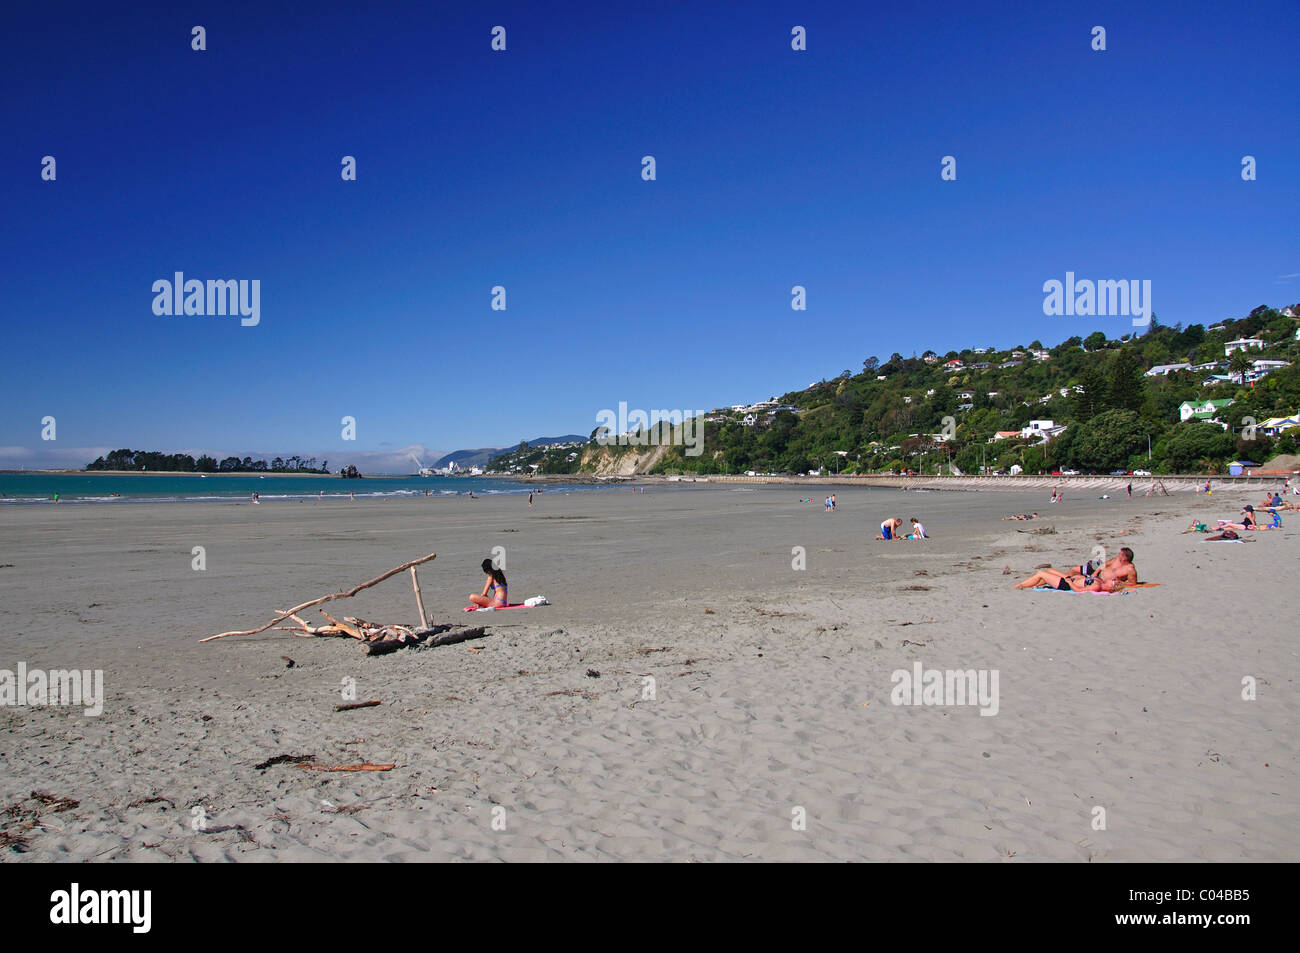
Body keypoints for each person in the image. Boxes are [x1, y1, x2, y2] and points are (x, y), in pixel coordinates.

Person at [1067, 547, 1137, 589]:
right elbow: (1105, 564)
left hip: (1100, 580)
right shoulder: (1117, 559)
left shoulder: (1130, 570)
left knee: (1076, 578)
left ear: (1124, 558)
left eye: (1120, 554)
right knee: (1074, 569)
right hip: (1097, 571)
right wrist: (1095, 572)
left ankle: (1065, 582)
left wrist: (1119, 583)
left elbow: (1133, 583)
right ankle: (1065, 578)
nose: (1118, 555)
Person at [1014, 567, 1116, 592]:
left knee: (1041, 574)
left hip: (1066, 584)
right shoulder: (1100, 582)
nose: (1113, 579)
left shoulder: (1097, 586)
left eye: (1114, 581)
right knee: (1049, 570)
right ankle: (1029, 585)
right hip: (1070, 579)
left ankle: (1019, 586)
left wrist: (1068, 581)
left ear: (1112, 586)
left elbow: (1078, 590)